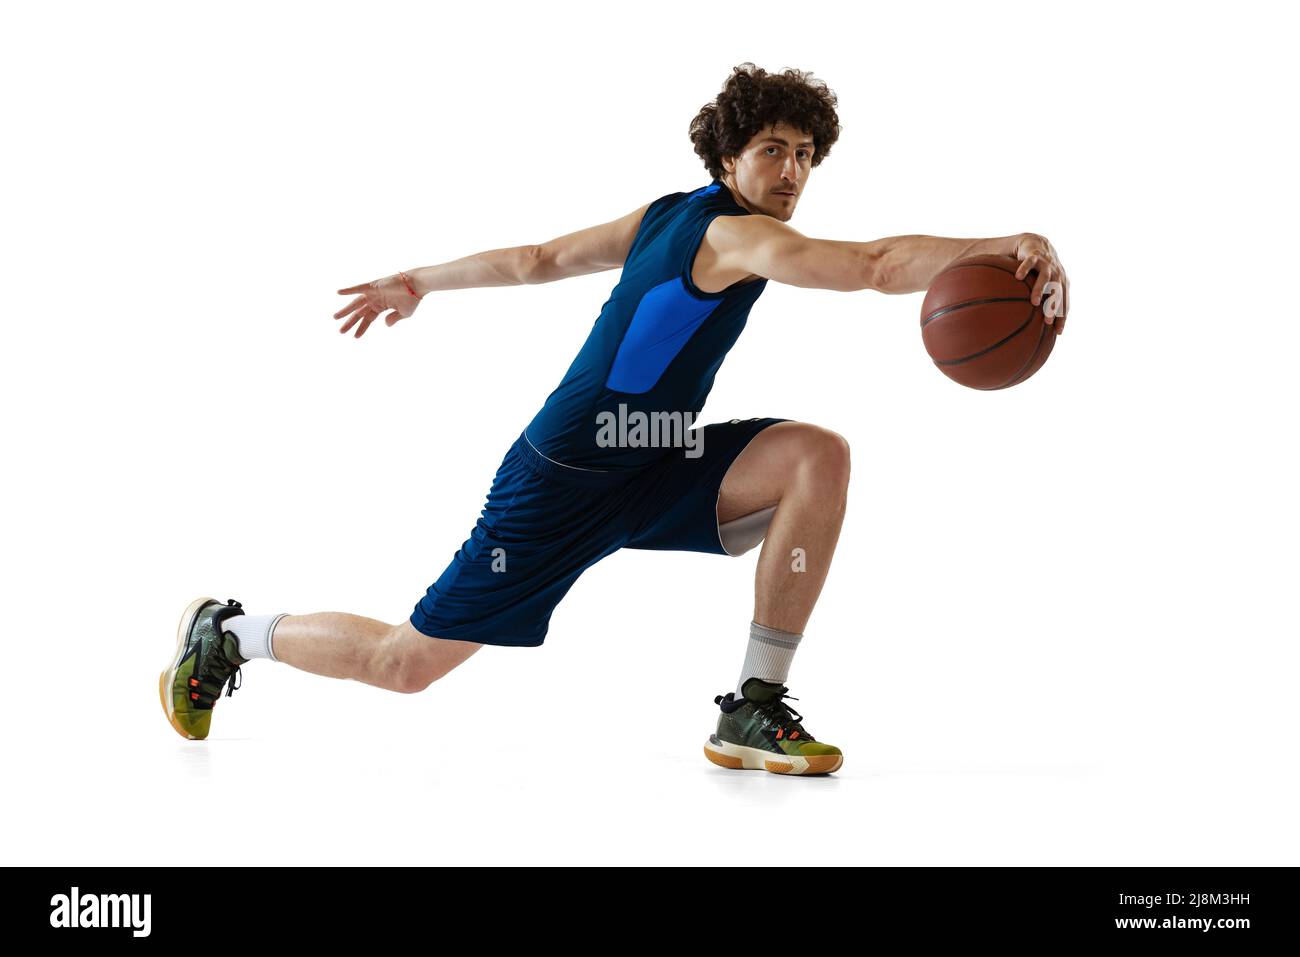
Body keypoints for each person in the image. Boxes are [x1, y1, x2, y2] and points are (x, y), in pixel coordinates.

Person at [160, 63, 1068, 775]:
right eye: (771, 150)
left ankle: (753, 704)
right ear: (727, 160)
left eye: (804, 155)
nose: (790, 171)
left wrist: (418, 283)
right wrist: (1004, 246)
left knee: (814, 458)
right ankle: (232, 632)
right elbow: (871, 265)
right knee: (408, 663)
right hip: (558, 483)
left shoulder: (669, 215)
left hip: (651, 453)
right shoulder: (726, 233)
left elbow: (539, 258)